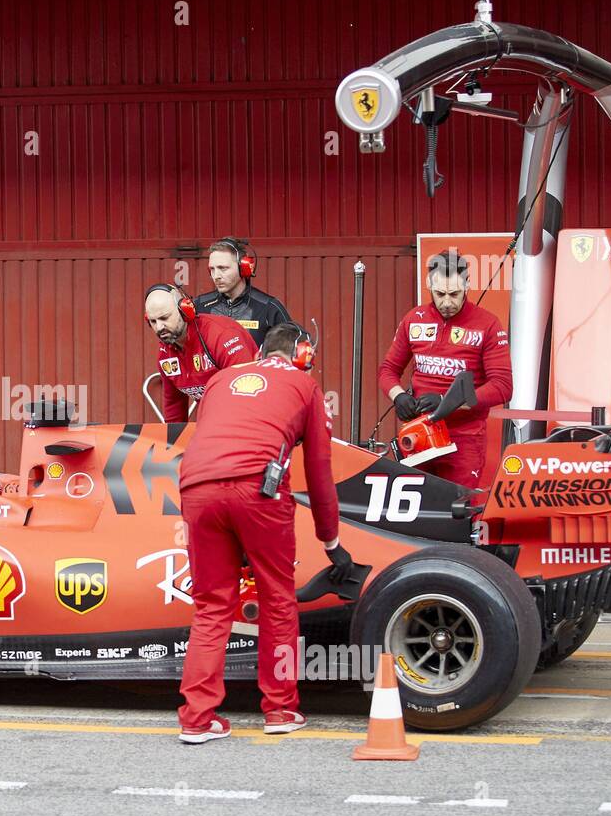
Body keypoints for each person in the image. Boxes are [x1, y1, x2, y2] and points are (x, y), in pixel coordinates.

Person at [175, 323, 352, 742]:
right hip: (260, 488)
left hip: (196, 488)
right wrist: (332, 541)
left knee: (212, 605)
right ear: (303, 355)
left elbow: (207, 439)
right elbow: (320, 472)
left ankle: (197, 719)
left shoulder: (219, 379)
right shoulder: (304, 385)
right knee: (277, 598)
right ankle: (280, 709)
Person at [377, 248, 513, 487]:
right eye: (440, 293)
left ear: (468, 284)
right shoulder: (414, 319)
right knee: (414, 510)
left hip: (464, 437)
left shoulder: (488, 324)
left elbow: (502, 387)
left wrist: (447, 401)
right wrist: (398, 397)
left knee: (456, 510)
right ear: (429, 284)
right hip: (419, 432)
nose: (447, 302)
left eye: (455, 294)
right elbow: (388, 370)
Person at [144, 283, 257, 422]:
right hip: (214, 424)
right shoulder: (165, 355)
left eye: (164, 318)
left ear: (185, 310)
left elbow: (248, 393)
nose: (159, 327)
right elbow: (174, 408)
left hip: (248, 420)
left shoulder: (223, 336)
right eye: (153, 321)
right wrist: (173, 442)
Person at [193, 236, 291, 349]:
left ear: (243, 268)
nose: (216, 276)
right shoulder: (199, 306)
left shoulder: (268, 308)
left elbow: (292, 348)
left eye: (223, 268)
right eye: (212, 269)